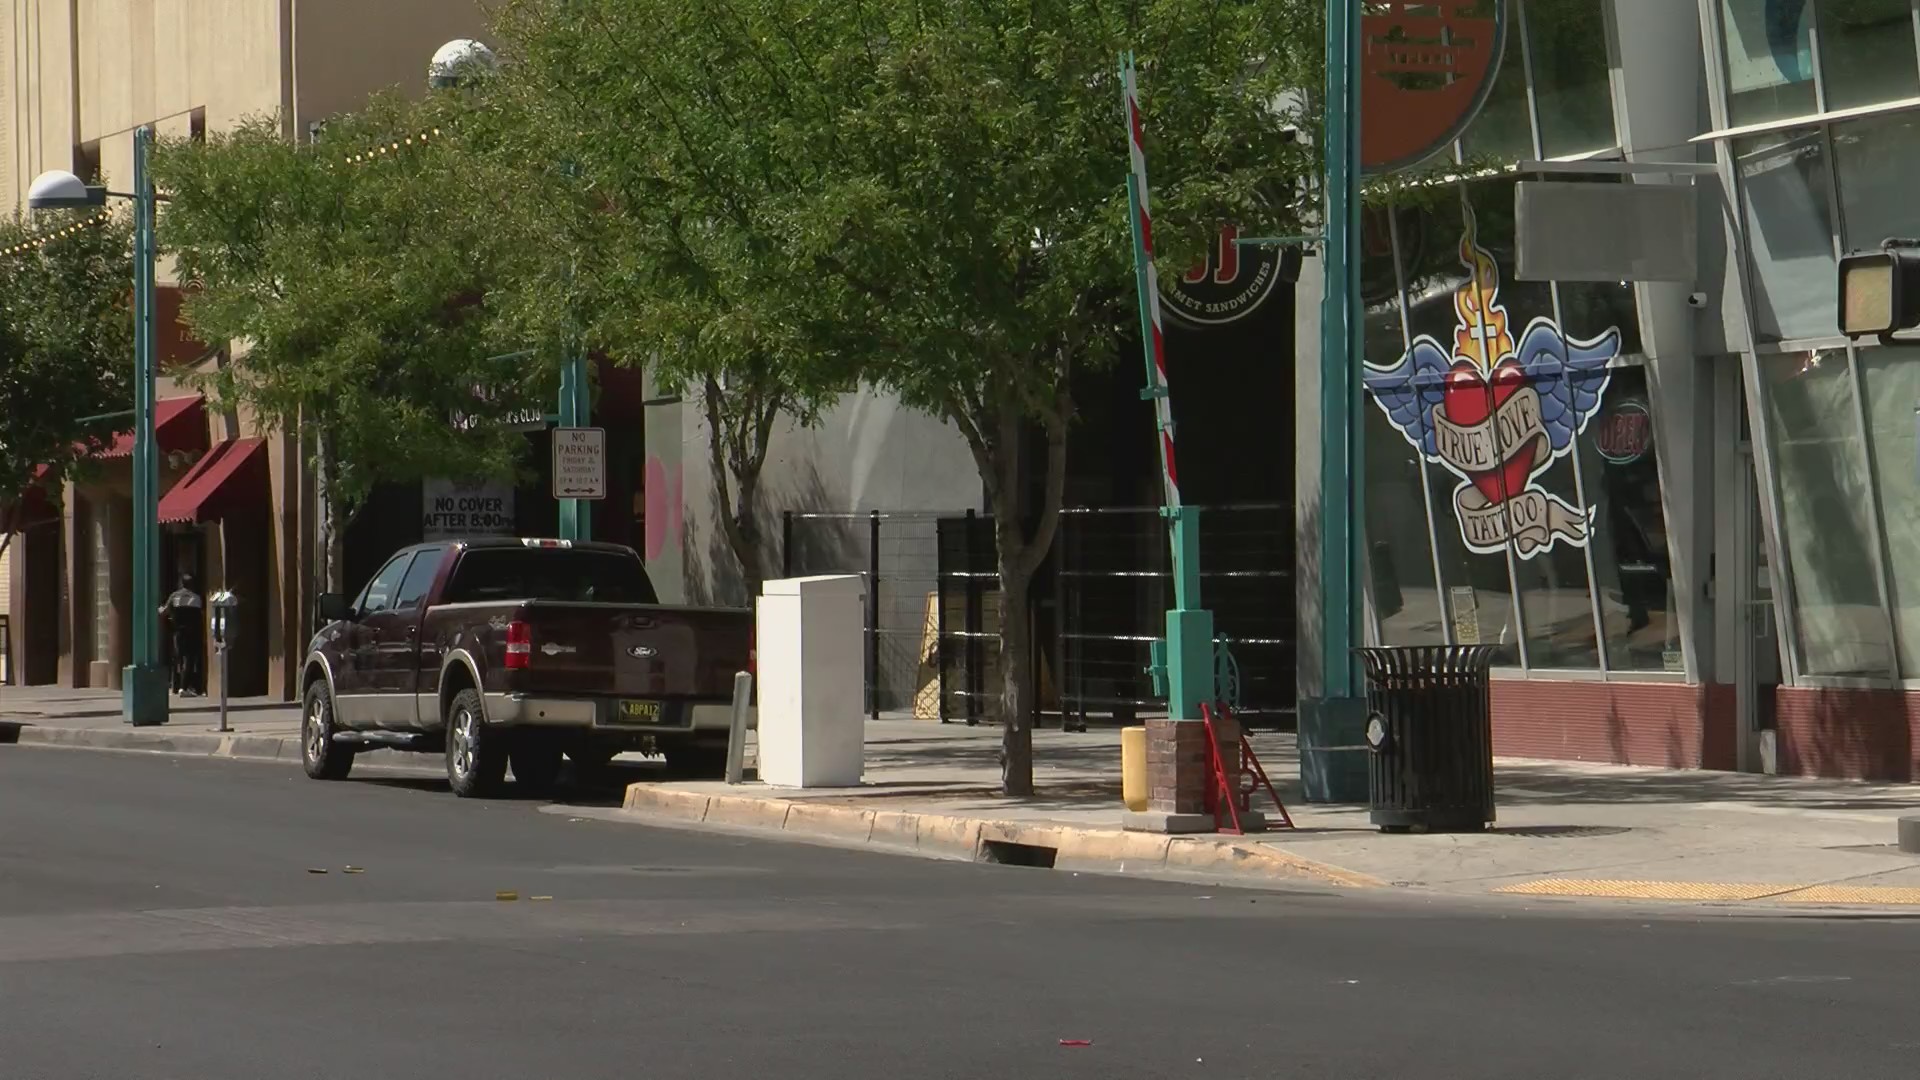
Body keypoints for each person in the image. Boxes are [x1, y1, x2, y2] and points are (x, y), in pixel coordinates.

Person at [161, 573, 206, 697]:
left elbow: (165, 611)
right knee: (190, 659)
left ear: (181, 583)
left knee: (177, 658)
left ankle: (175, 687)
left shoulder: (174, 596)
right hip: (192, 633)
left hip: (178, 632)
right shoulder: (196, 598)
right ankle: (185, 687)